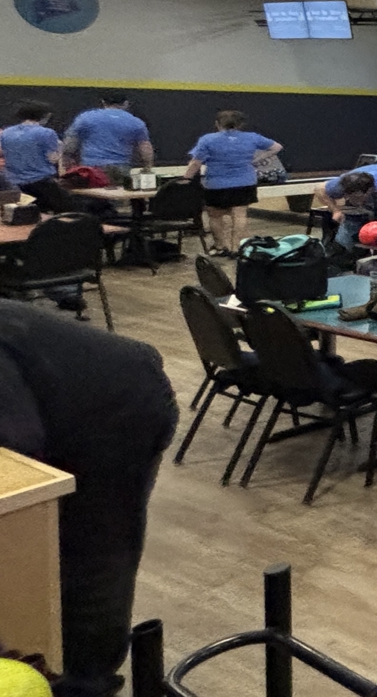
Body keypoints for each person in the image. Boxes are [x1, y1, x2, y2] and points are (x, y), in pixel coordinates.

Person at [0, 302, 177, 697]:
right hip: (62, 400)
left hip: (120, 406)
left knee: (96, 555)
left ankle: (90, 683)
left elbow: (19, 444)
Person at [183, 110, 282, 257]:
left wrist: (185, 179)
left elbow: (196, 163)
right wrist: (256, 160)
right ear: (241, 124)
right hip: (245, 182)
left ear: (217, 124)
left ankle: (220, 246)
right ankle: (237, 248)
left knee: (215, 216)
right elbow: (276, 147)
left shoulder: (207, 139)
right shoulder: (252, 137)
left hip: (217, 184)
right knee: (240, 215)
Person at [61, 95, 151, 188]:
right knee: (119, 197)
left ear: (103, 102)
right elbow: (145, 148)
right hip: (121, 167)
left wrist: (66, 160)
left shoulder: (85, 117)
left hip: (92, 167)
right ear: (126, 104)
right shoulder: (136, 122)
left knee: (93, 198)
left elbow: (69, 143)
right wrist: (147, 167)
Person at [2, 102, 74, 213]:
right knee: (68, 211)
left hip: (14, 184)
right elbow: (53, 158)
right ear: (44, 116)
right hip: (41, 183)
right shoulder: (46, 133)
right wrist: (60, 147)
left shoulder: (6, 132)